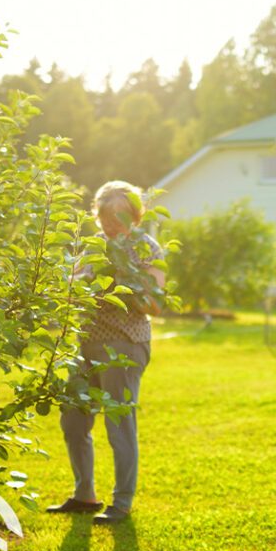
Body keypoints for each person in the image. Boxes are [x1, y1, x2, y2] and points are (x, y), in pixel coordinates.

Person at [46, 181, 166, 525]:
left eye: (119, 217)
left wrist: (119, 282)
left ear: (135, 216)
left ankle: (122, 502)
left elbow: (154, 305)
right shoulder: (92, 247)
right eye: (104, 216)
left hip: (125, 344)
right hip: (86, 344)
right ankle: (85, 495)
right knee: (73, 418)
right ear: (95, 215)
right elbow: (71, 291)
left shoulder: (147, 249)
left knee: (119, 423)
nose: (111, 224)